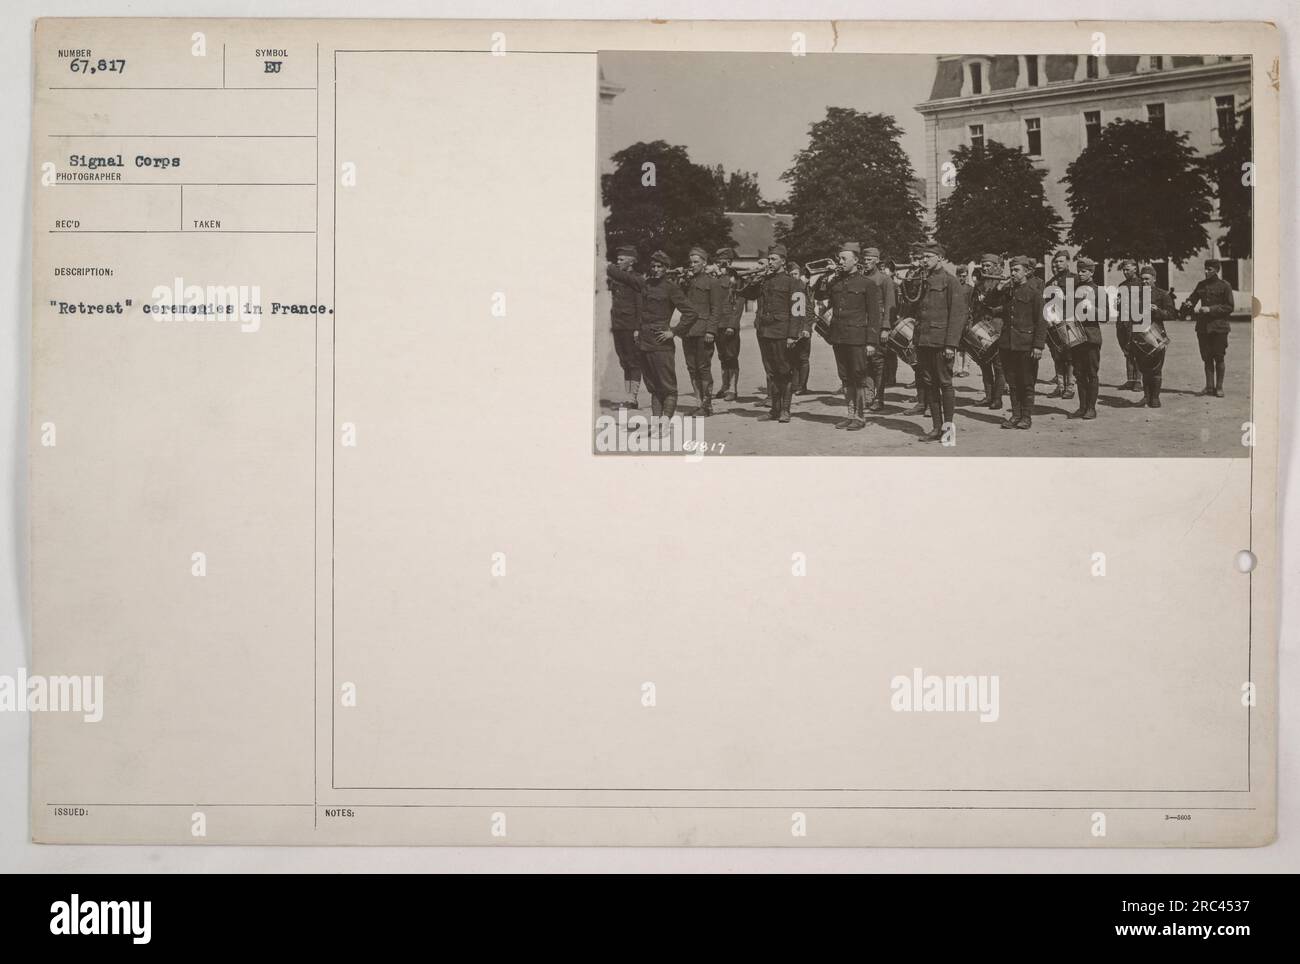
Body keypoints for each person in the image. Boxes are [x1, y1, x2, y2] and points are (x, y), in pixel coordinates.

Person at [739, 244, 808, 423]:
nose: (770, 262)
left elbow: (799, 312)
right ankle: (774, 410)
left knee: (784, 371)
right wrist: (753, 281)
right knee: (771, 372)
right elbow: (746, 295)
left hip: (782, 332)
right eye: (769, 259)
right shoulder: (764, 280)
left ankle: (785, 410)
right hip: (764, 332)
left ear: (783, 262)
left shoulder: (794, 283)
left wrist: (793, 335)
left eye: (773, 259)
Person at [825, 242, 885, 431]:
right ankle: (850, 414)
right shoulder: (835, 281)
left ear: (856, 260)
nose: (840, 261)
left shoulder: (867, 284)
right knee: (845, 377)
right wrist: (826, 276)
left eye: (844, 258)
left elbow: (875, 316)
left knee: (858, 376)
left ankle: (860, 416)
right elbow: (819, 295)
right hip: (839, 336)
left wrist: (871, 342)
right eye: (839, 258)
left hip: (858, 337)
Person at [637, 250, 701, 426]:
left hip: (661, 342)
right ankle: (656, 423)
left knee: (667, 386)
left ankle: (665, 423)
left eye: (660, 266)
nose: (656, 269)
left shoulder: (671, 287)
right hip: (644, 342)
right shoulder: (646, 285)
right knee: (653, 386)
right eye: (653, 266)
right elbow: (640, 311)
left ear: (666, 268)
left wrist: (674, 331)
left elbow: (691, 313)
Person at [909, 242, 965, 442]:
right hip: (923, 341)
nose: (924, 260)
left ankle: (948, 430)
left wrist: (951, 344)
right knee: (929, 384)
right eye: (922, 257)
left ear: (940, 258)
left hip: (941, 342)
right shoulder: (923, 280)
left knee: (945, 384)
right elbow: (913, 306)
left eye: (929, 257)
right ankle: (935, 428)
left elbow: (958, 315)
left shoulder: (950, 281)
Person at [999, 255, 1046, 430]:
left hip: (1026, 345)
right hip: (1008, 344)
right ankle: (1015, 415)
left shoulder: (1034, 293)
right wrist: (998, 289)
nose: (1012, 273)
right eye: (1011, 270)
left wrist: (1038, 345)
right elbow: (989, 304)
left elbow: (1041, 321)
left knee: (1027, 382)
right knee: (1012, 382)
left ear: (1027, 272)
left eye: (1016, 270)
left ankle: (1026, 417)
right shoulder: (1008, 291)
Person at [675, 246, 722, 416]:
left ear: (704, 263)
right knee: (691, 367)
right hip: (688, 331)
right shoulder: (686, 282)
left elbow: (716, 309)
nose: (692, 265)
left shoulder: (712, 282)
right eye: (691, 262)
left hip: (704, 331)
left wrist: (711, 331)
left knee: (703, 367)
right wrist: (679, 280)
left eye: (696, 262)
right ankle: (698, 402)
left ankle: (707, 405)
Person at [1183, 258, 1235, 397]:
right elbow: (1192, 300)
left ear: (1217, 270)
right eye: (1205, 269)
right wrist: (1188, 304)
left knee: (1219, 357)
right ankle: (1209, 387)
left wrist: (1210, 309)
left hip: (1219, 328)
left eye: (1209, 269)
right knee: (1206, 358)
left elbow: (1230, 307)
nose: (1206, 272)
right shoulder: (1201, 285)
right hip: (1203, 328)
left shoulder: (1225, 286)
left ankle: (1219, 388)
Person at [1066, 256, 1106, 421]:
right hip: (1076, 336)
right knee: (1079, 373)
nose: (1080, 274)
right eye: (1079, 271)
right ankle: (1082, 407)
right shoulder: (1073, 290)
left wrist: (1091, 308)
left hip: (1090, 337)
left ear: (1091, 272)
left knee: (1091, 372)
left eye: (1084, 271)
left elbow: (1105, 315)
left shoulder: (1098, 291)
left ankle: (1091, 408)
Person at [968, 254, 1008, 410]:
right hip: (981, 326)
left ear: (997, 266)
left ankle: (997, 399)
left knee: (999, 365)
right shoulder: (979, 285)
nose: (985, 268)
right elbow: (974, 305)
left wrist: (993, 307)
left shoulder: (1004, 283)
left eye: (988, 265)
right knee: (984, 363)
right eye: (983, 266)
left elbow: (1008, 306)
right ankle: (988, 396)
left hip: (997, 327)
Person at [1133, 265, 1175, 408]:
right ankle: (1146, 396)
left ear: (1154, 279)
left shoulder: (1163, 294)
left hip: (1157, 334)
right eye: (1142, 279)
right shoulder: (1136, 294)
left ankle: (1155, 398)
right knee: (1144, 368)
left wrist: (1158, 311)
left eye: (1147, 279)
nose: (1144, 282)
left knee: (1156, 368)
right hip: (1140, 335)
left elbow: (1171, 314)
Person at [606, 245, 643, 408]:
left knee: (634, 362)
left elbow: (640, 306)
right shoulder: (618, 280)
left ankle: (632, 398)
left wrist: (638, 328)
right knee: (624, 361)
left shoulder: (635, 279)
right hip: (618, 325)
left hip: (630, 326)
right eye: (617, 259)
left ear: (631, 262)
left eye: (621, 260)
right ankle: (628, 397)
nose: (617, 262)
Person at [710, 247, 745, 403]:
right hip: (717, 323)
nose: (719, 266)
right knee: (722, 356)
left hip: (729, 323)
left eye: (722, 263)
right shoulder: (715, 278)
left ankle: (733, 389)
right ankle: (724, 386)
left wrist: (732, 324)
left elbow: (739, 303)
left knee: (731, 356)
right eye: (718, 263)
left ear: (729, 262)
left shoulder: (736, 279)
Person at [1044, 249, 1076, 400]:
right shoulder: (1050, 282)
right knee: (1057, 355)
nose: (1058, 264)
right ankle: (1060, 386)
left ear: (1068, 262)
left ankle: (1070, 386)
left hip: (1069, 321)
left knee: (1070, 356)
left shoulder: (1075, 279)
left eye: (1061, 261)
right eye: (1056, 261)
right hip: (1053, 324)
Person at [1115, 258, 1144, 392]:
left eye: (1127, 269)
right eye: (1124, 270)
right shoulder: (1121, 285)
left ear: (1135, 269)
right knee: (1127, 351)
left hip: (1136, 322)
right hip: (1123, 322)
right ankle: (1130, 380)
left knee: (1137, 351)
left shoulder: (1141, 284)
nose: (1125, 272)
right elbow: (1118, 305)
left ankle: (1138, 381)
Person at [953, 265, 972, 379]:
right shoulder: (954, 288)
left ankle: (966, 368)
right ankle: (958, 368)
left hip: (966, 318)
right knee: (958, 344)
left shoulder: (970, 289)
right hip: (956, 319)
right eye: (960, 276)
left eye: (964, 276)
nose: (962, 278)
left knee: (967, 345)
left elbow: (971, 305)